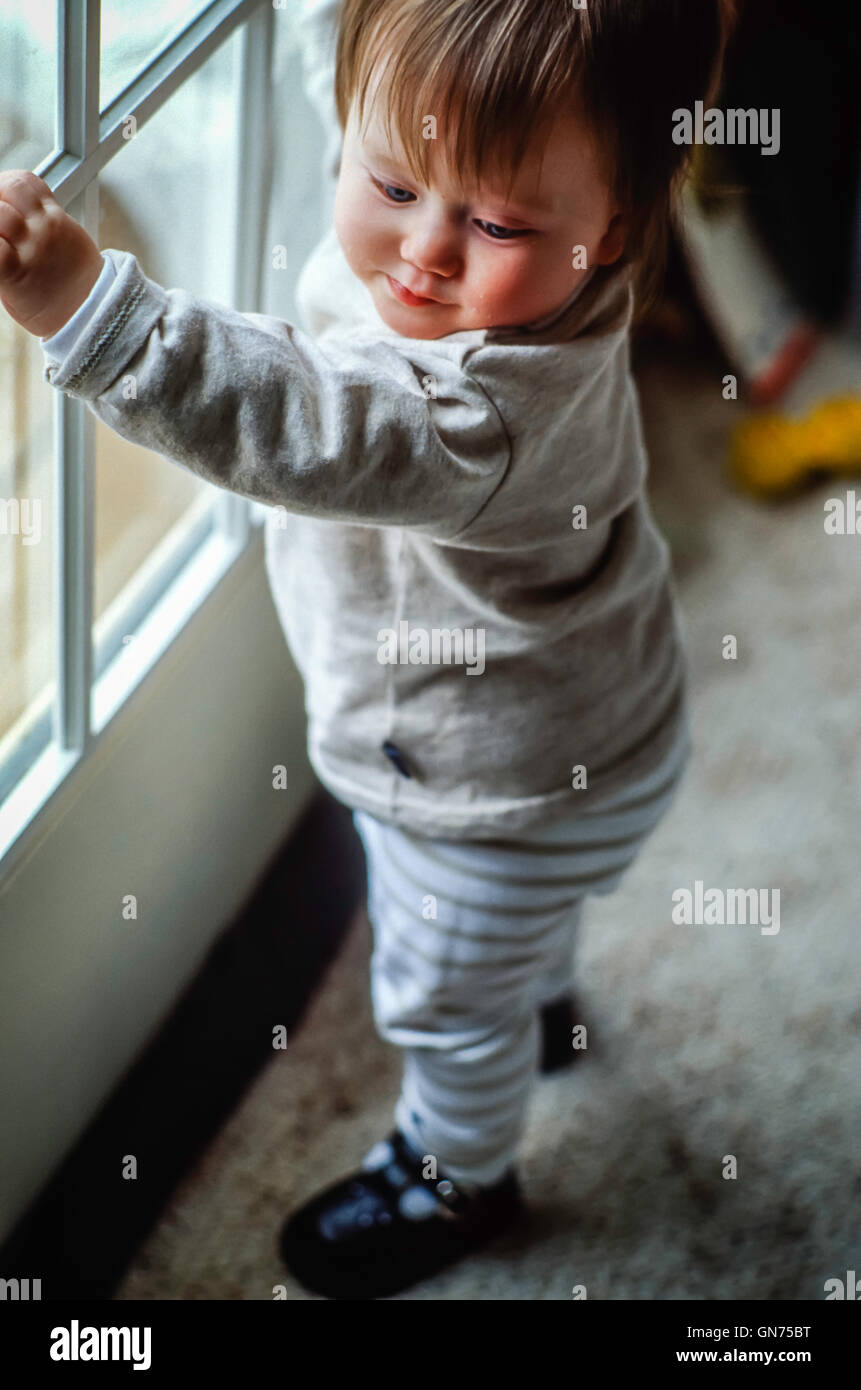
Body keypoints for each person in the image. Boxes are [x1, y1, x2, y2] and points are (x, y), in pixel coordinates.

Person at [0, 0, 735, 1301]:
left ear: (613, 225)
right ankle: (538, 996)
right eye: (391, 181)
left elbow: (291, 416)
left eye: (495, 224)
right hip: (599, 723)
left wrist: (86, 305)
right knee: (512, 944)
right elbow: (343, 58)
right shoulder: (560, 247)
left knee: (441, 997)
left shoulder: (480, 418)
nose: (425, 254)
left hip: (484, 792)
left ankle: (458, 1168)